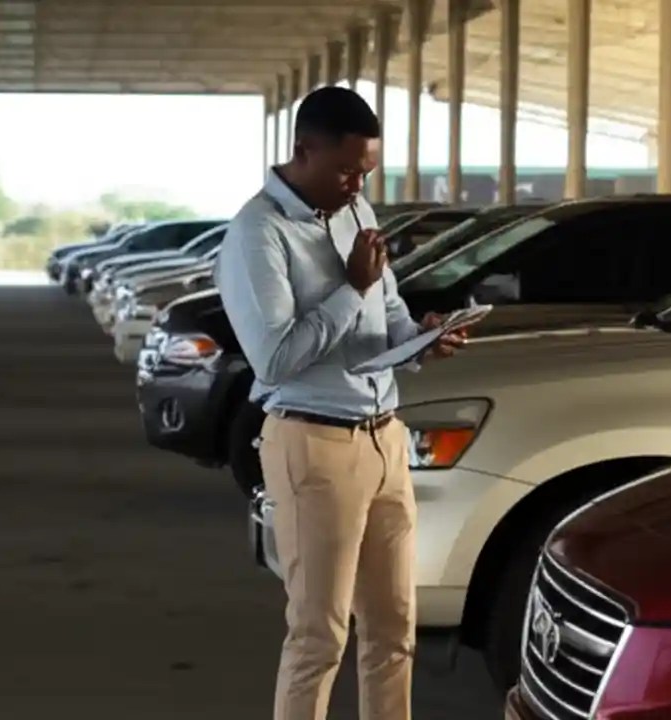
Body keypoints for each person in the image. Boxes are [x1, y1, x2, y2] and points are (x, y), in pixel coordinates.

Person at [214, 86, 464, 720]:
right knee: (319, 636)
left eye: (367, 171)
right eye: (347, 170)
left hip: (385, 436)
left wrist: (421, 338)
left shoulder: (356, 211)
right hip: (313, 444)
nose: (357, 184)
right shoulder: (256, 234)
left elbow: (390, 313)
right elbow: (274, 358)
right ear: (304, 150)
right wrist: (351, 288)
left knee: (394, 631)